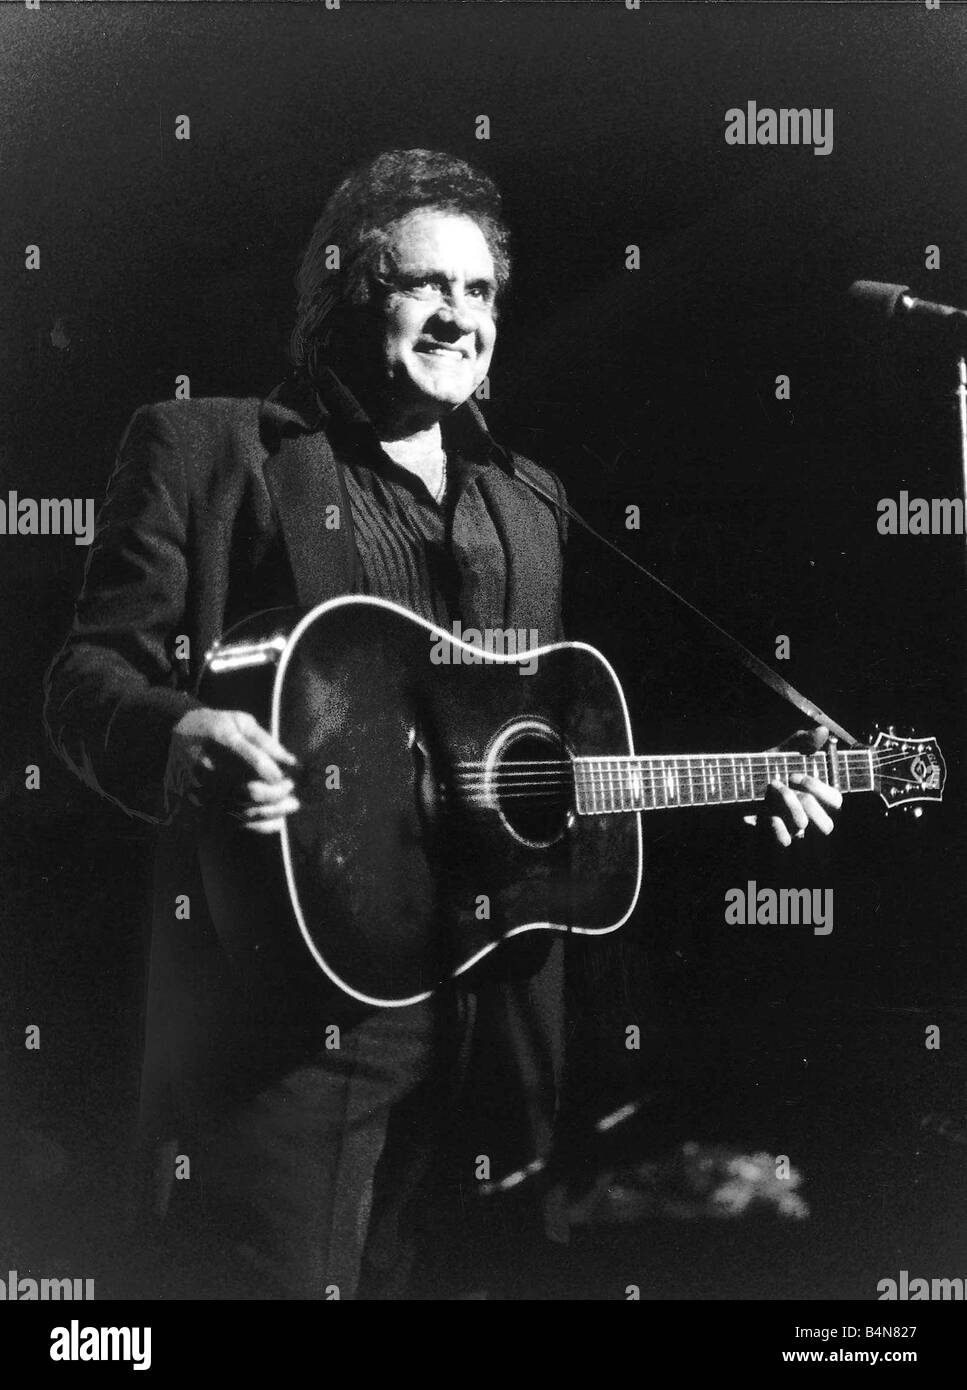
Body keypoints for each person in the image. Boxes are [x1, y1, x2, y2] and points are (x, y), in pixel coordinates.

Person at [43, 148, 842, 1300]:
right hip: (289, 1029)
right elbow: (85, 676)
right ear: (344, 297)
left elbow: (545, 780)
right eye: (421, 284)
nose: (456, 316)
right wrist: (172, 740)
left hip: (494, 1030)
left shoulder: (534, 500)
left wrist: (742, 784)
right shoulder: (207, 448)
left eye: (479, 294)